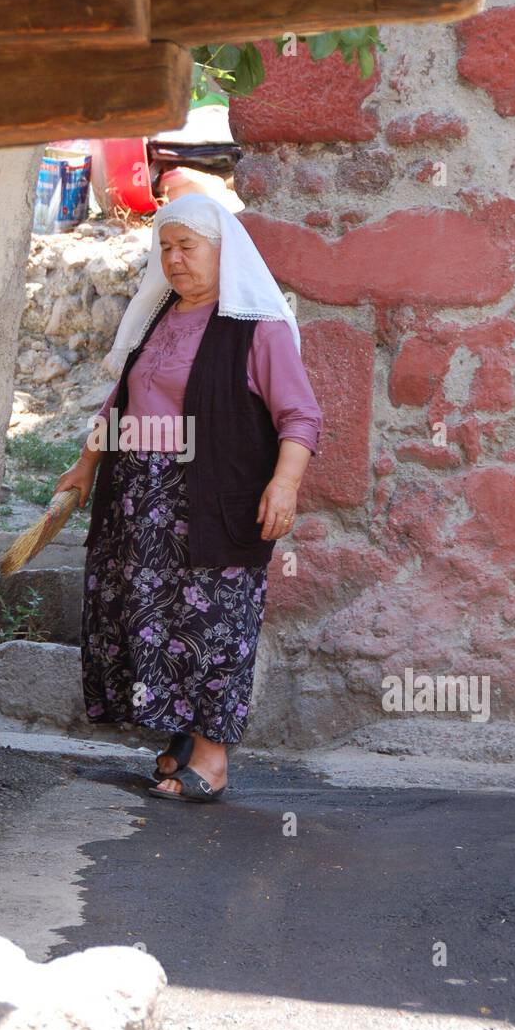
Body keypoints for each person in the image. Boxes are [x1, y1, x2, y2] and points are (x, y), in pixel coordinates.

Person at [54, 194, 322, 803]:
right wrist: (85, 465)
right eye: (166, 248)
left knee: (214, 623)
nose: (174, 261)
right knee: (148, 619)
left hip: (212, 499)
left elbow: (300, 414)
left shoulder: (258, 325)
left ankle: (212, 758)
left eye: (188, 248)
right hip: (139, 499)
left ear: (223, 252)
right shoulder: (158, 317)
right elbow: (118, 402)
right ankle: (180, 738)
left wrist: (286, 482)